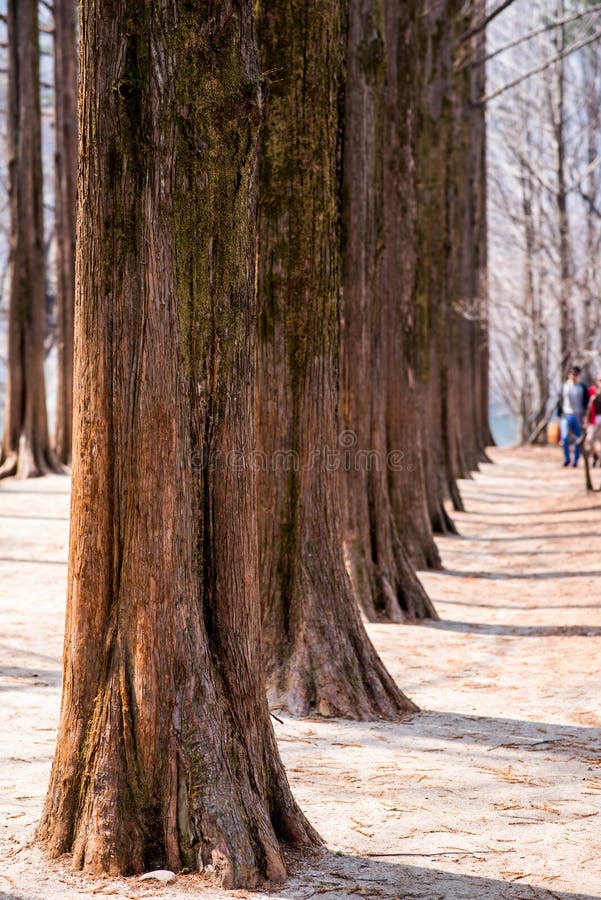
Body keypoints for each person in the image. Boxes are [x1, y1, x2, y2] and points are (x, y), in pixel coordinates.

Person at [556, 365, 588, 467]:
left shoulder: (582, 387)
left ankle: (576, 460)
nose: (572, 376)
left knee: (578, 440)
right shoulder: (564, 386)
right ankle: (566, 458)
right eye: (571, 373)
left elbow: (586, 403)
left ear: (578, 375)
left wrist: (585, 417)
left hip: (578, 417)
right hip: (566, 415)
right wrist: (558, 415)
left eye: (575, 374)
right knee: (564, 438)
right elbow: (559, 401)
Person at [585, 375, 601, 467]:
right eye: (599, 380)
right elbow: (586, 405)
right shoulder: (591, 391)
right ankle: (595, 455)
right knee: (589, 439)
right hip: (592, 418)